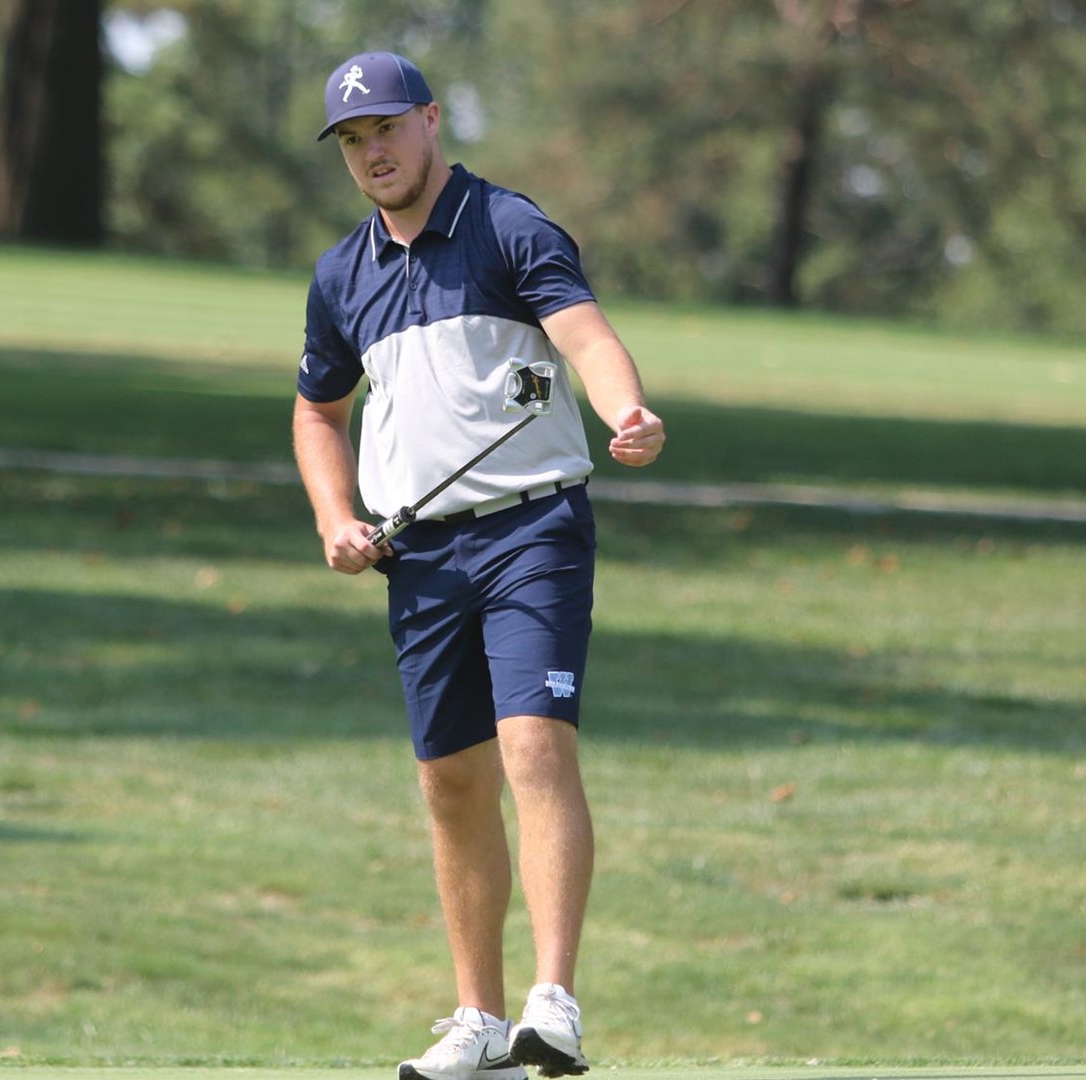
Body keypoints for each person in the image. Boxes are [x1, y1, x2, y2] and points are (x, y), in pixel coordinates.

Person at [291, 50, 666, 1080]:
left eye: (386, 130)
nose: (372, 154)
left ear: (430, 121)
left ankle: (555, 1004)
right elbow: (318, 413)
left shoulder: (509, 226)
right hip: (420, 558)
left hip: (531, 533)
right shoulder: (343, 274)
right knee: (450, 783)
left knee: (535, 746)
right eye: (354, 142)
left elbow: (587, 337)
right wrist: (335, 516)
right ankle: (481, 1022)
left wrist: (623, 409)